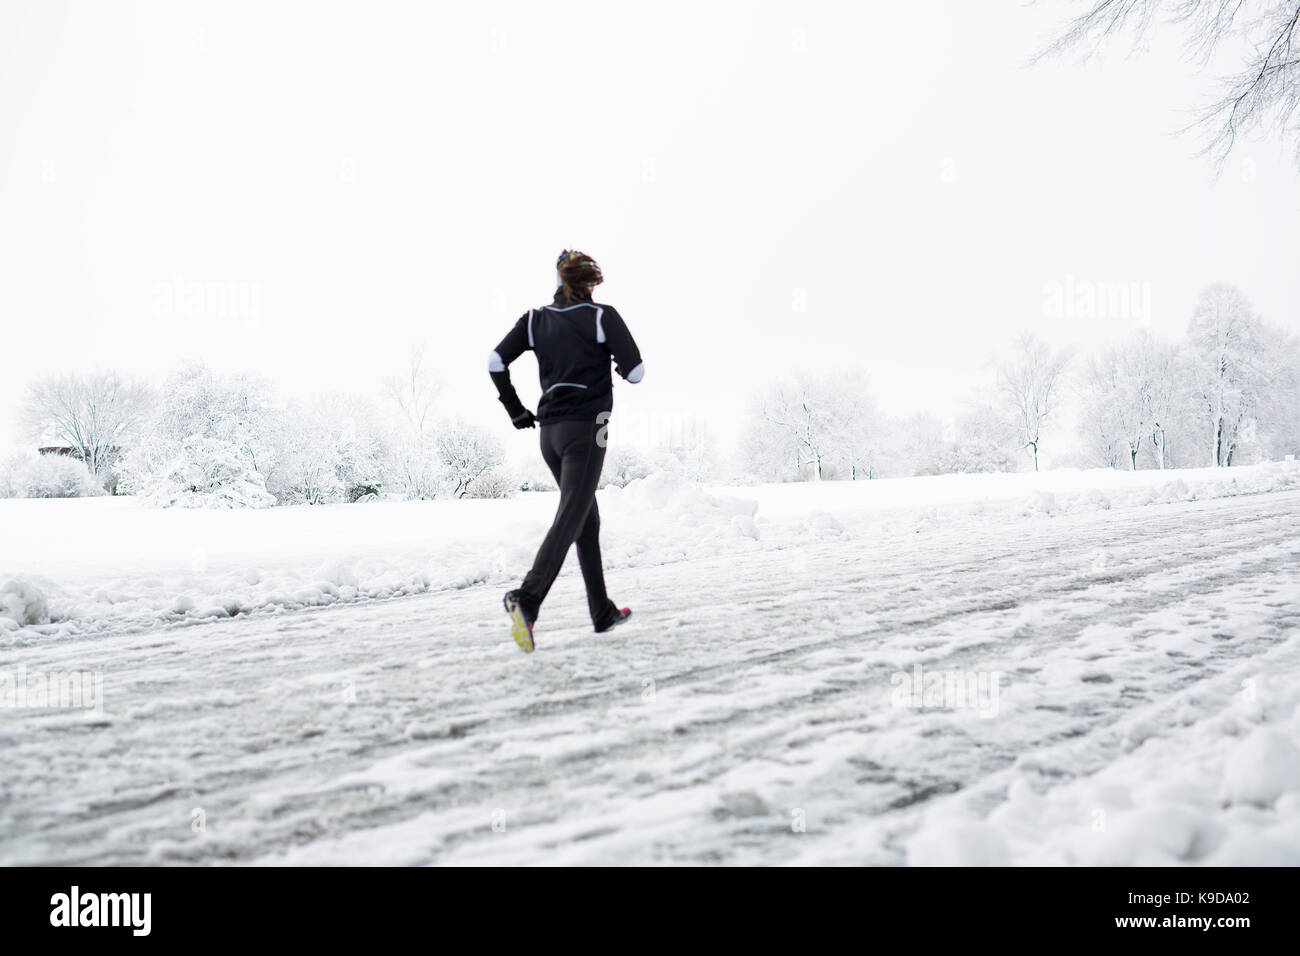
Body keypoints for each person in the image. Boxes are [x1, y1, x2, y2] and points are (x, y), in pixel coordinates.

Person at [488, 250, 645, 653]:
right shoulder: (600, 316)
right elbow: (636, 373)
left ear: (558, 282)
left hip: (549, 436)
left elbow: (495, 361)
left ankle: (601, 611)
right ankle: (527, 598)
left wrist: (515, 408)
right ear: (591, 282)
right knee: (569, 518)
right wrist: (615, 364)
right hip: (587, 431)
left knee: (585, 519)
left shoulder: (535, 320)